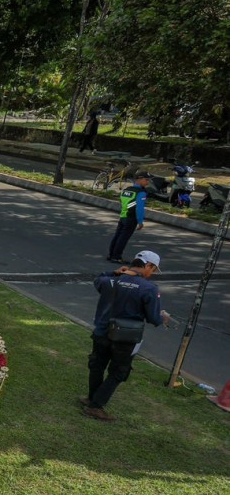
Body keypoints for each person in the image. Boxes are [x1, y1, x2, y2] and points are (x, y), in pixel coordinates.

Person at [82, 250, 170, 421]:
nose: (151, 274)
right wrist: (163, 318)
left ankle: (92, 398)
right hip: (125, 337)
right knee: (118, 371)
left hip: (101, 331)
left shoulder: (111, 281)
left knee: (97, 365)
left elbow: (98, 280)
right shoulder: (149, 288)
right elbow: (153, 317)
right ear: (148, 265)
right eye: (152, 270)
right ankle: (96, 406)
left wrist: (114, 272)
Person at [107, 171, 149, 263]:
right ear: (139, 179)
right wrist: (140, 221)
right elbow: (139, 209)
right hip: (131, 218)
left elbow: (123, 203)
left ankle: (111, 255)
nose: (148, 182)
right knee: (123, 238)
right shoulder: (141, 193)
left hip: (123, 216)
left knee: (117, 236)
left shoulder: (126, 190)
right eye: (146, 180)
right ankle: (117, 257)